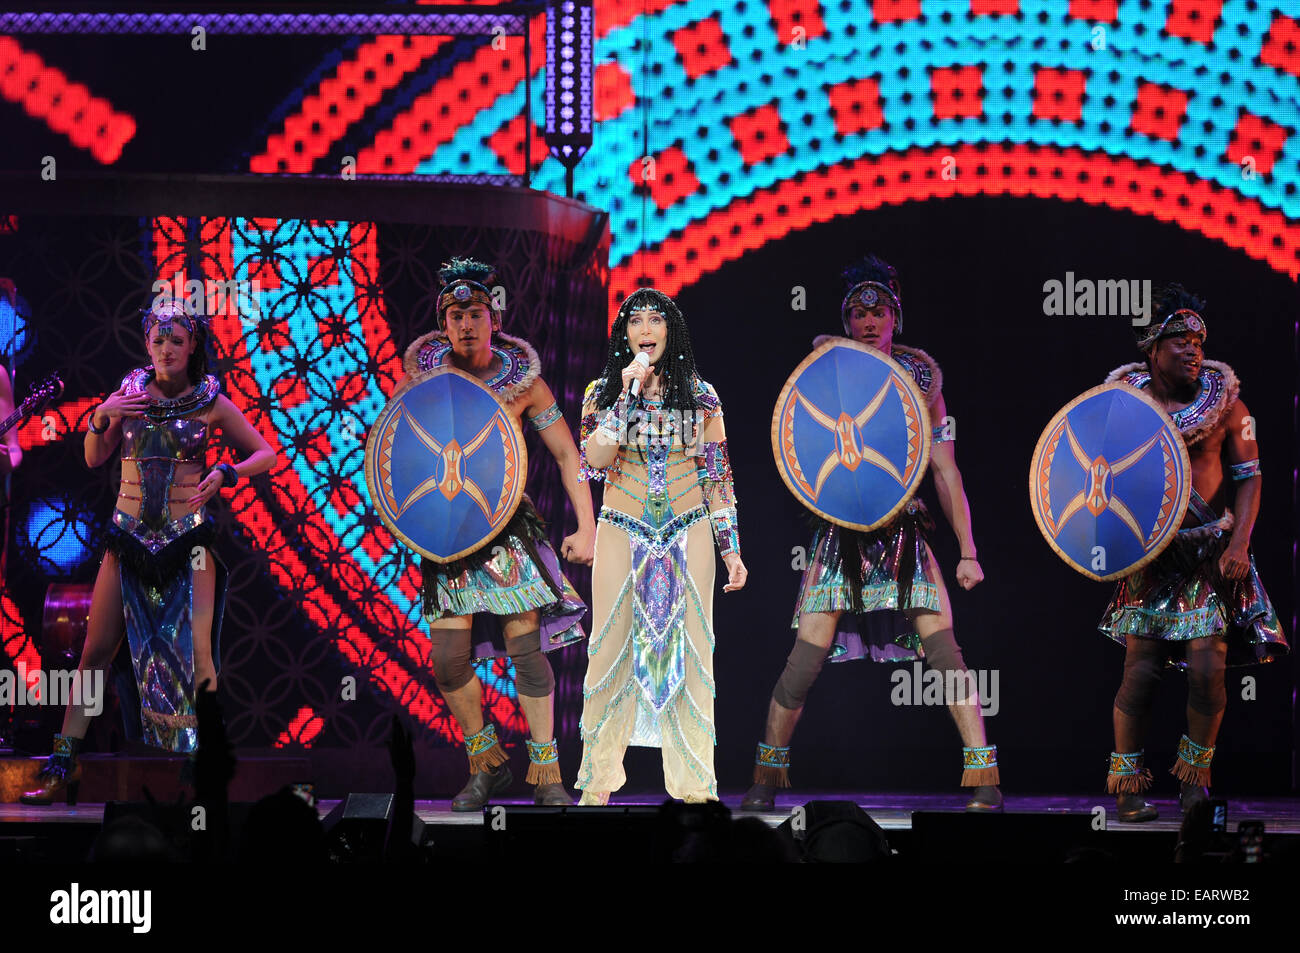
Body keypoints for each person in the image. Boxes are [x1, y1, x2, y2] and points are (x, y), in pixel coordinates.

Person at [741, 254, 1002, 812]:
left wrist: (968, 552)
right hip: (839, 534)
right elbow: (802, 443)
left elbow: (945, 470)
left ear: (896, 316)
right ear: (846, 319)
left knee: (944, 652)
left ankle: (985, 780)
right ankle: (765, 778)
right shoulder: (827, 370)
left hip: (904, 532)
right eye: (858, 312)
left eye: (879, 310)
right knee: (805, 660)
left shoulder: (925, 382)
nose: (869, 321)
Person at [21, 298, 276, 805]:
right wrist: (103, 416)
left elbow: (266, 452)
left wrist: (226, 474)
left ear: (192, 346)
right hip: (128, 539)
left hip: (189, 541)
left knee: (200, 654)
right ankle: (61, 764)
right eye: (158, 339)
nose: (165, 348)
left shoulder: (210, 400)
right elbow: (95, 460)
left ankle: (204, 771)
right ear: (146, 344)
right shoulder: (128, 396)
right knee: (94, 652)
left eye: (176, 340)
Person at [404, 257, 595, 810]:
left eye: (477, 313)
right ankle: (486, 766)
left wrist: (587, 526)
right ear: (443, 324)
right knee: (447, 660)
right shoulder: (421, 379)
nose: (466, 324)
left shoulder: (524, 384)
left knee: (526, 651)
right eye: (456, 314)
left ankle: (547, 773)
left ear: (495, 317)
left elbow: (565, 453)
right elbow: (397, 452)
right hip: (445, 534)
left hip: (509, 530)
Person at [1097, 284, 1286, 822]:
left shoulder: (1230, 405)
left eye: (1199, 341)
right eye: (1179, 341)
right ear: (1152, 349)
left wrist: (1241, 543)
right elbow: (1091, 475)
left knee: (1208, 672)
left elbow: (1250, 480)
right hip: (1149, 557)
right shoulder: (1121, 404)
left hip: (1208, 557)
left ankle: (1194, 783)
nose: (1193, 351)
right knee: (1140, 673)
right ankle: (1128, 786)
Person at [575, 287, 747, 804]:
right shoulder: (603, 393)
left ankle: (696, 793)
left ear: (672, 332)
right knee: (607, 653)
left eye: (656, 320)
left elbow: (717, 475)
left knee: (694, 656)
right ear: (623, 334)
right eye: (635, 321)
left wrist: (730, 548)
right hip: (621, 530)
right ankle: (596, 787)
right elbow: (595, 461)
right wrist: (625, 397)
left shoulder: (701, 394)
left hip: (688, 529)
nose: (645, 330)